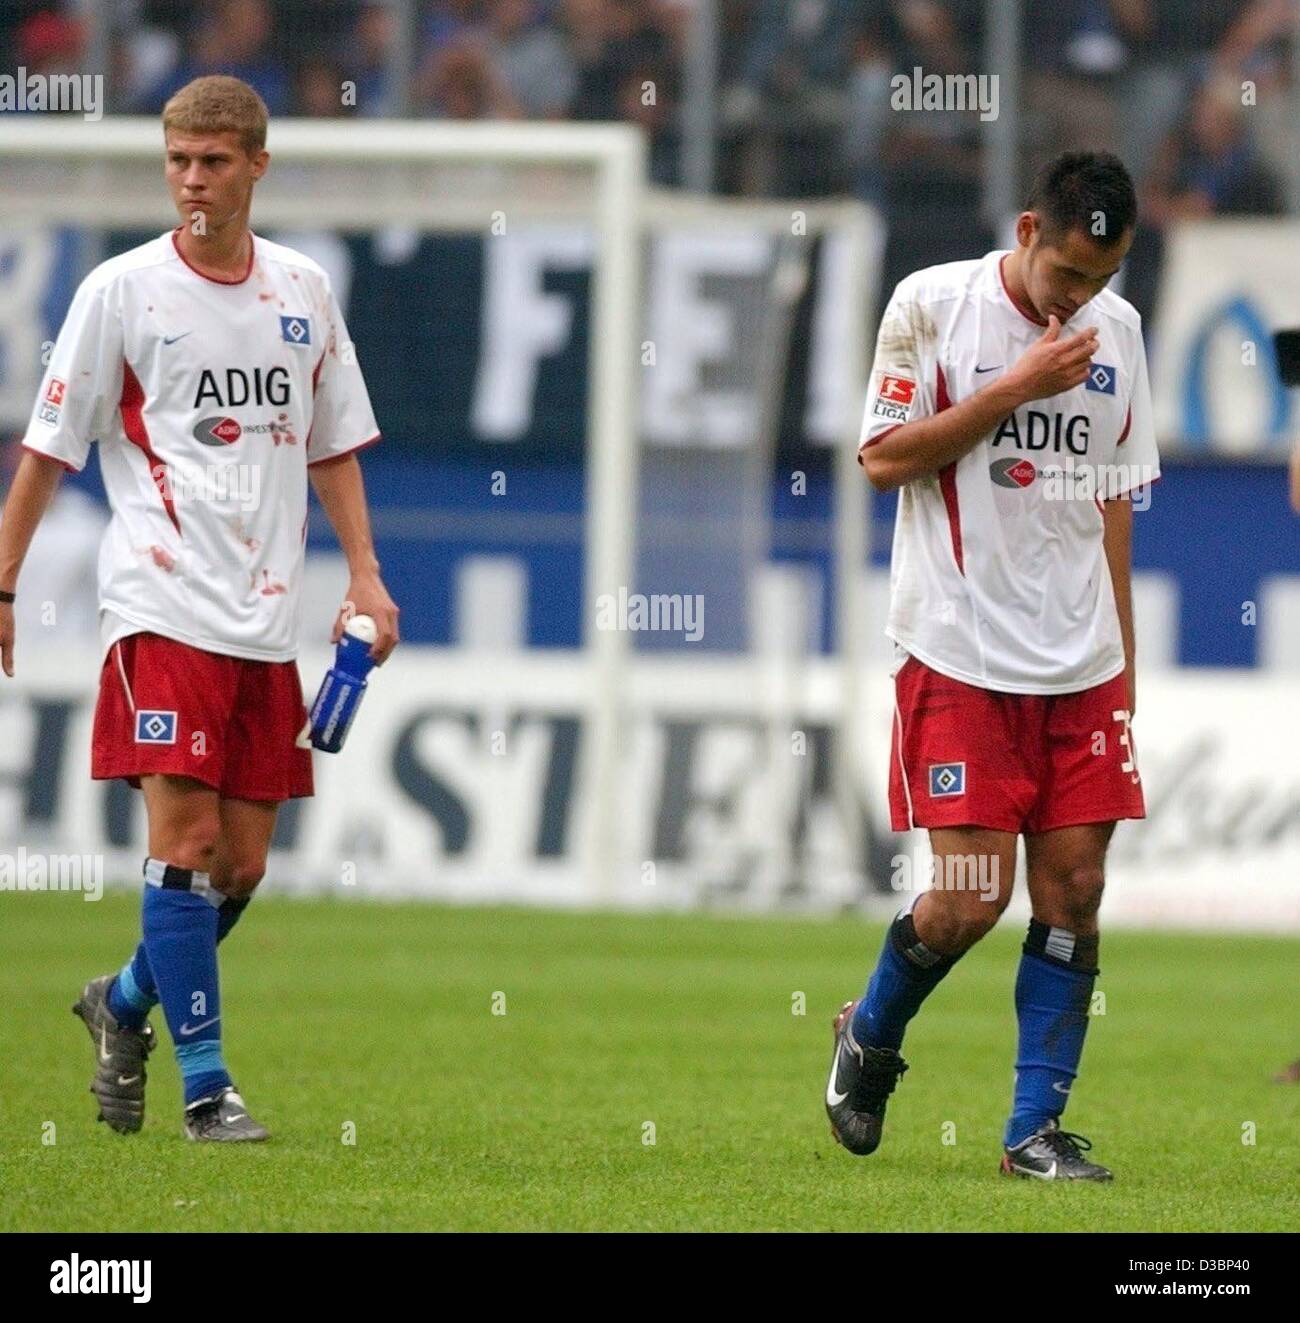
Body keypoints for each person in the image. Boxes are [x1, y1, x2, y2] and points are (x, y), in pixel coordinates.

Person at [0, 74, 399, 1142]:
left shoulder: (303, 291)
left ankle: (121, 1001)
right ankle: (208, 1088)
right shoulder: (119, 293)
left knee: (244, 865)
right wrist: (1, 582)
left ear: (256, 166)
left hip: (263, 621)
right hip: (158, 603)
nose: (191, 180)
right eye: (177, 160)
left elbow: (331, 443)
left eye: (214, 162)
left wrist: (364, 574)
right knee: (182, 840)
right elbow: (48, 452)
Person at [825, 152, 1160, 1181]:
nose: (1078, 300)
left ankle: (1033, 1134)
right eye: (1065, 276)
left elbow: (1112, 498)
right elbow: (883, 459)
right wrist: (1015, 386)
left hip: (1081, 661)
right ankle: (867, 1035)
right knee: (967, 900)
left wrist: (1125, 661)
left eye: (1098, 281)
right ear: (1025, 231)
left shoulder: (1122, 336)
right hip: (961, 651)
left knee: (1077, 889)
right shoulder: (931, 305)